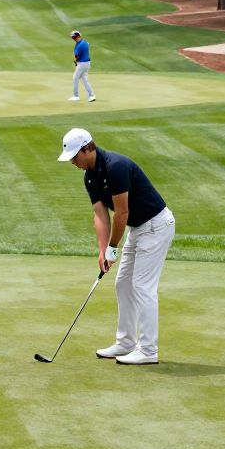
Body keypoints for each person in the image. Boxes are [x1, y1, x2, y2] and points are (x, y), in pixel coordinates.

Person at [57, 128, 176, 365]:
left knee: (142, 286)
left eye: (74, 156)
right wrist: (103, 251)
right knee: (123, 283)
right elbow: (101, 215)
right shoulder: (89, 176)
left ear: (87, 148)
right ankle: (126, 342)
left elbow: (121, 212)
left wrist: (112, 249)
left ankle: (148, 350)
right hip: (138, 228)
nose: (72, 162)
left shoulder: (115, 166)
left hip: (155, 226)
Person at [68, 30, 96, 102]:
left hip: (82, 63)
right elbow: (87, 45)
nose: (74, 38)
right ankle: (92, 95)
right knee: (84, 80)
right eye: (73, 37)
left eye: (75, 37)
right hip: (87, 63)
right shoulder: (85, 42)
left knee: (75, 78)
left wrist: (75, 62)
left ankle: (76, 96)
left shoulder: (80, 45)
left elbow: (75, 55)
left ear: (79, 36)